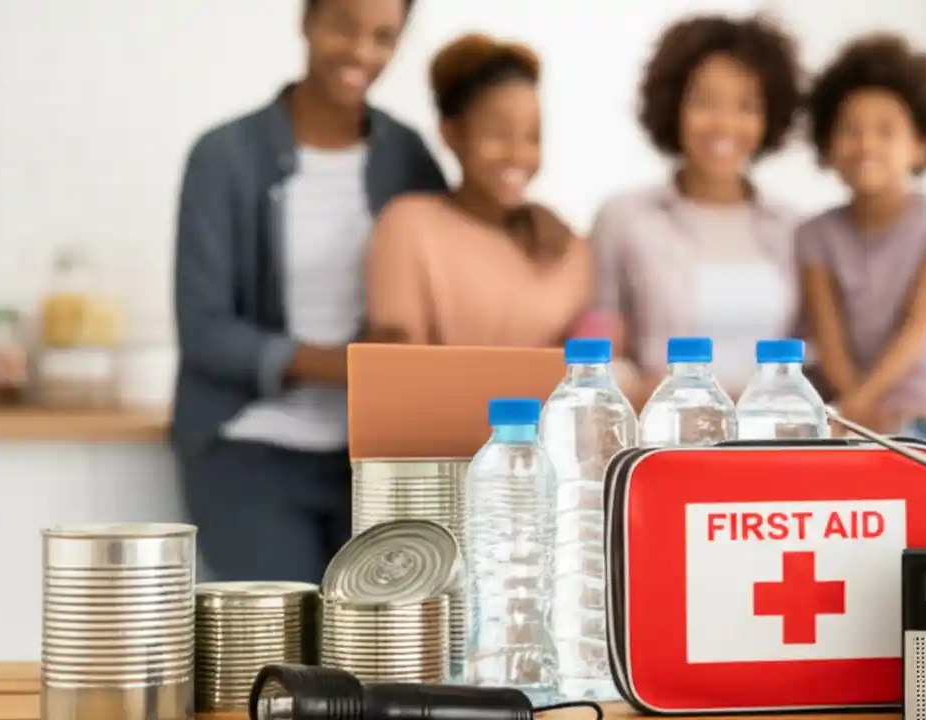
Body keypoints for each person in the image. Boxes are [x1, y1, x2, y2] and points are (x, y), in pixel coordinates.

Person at [172, 0, 446, 583]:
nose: (359, 52)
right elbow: (204, 331)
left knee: (381, 657)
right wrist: (351, 365)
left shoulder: (408, 156)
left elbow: (455, 258)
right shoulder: (223, 157)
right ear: (307, 21)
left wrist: (526, 222)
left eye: (382, 36)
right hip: (249, 448)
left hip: (373, 459)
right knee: (288, 658)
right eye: (342, 26)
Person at [586, 15, 805, 402]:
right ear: (674, 107)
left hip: (771, 441)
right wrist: (635, 389)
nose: (724, 123)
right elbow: (596, 351)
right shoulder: (625, 218)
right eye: (705, 102)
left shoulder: (794, 228)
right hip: (665, 439)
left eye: (746, 106)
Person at [367, 34, 590, 347]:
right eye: (498, 134)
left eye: (532, 136)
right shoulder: (408, 226)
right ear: (451, 133)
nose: (517, 154)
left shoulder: (567, 248)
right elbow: (398, 367)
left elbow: (588, 371)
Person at [797, 33, 926, 446]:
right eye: (850, 130)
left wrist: (863, 403)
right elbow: (827, 336)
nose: (866, 144)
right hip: (843, 410)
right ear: (828, 145)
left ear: (919, 145)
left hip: (916, 414)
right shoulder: (815, 234)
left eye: (886, 130)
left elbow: (917, 326)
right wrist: (854, 407)